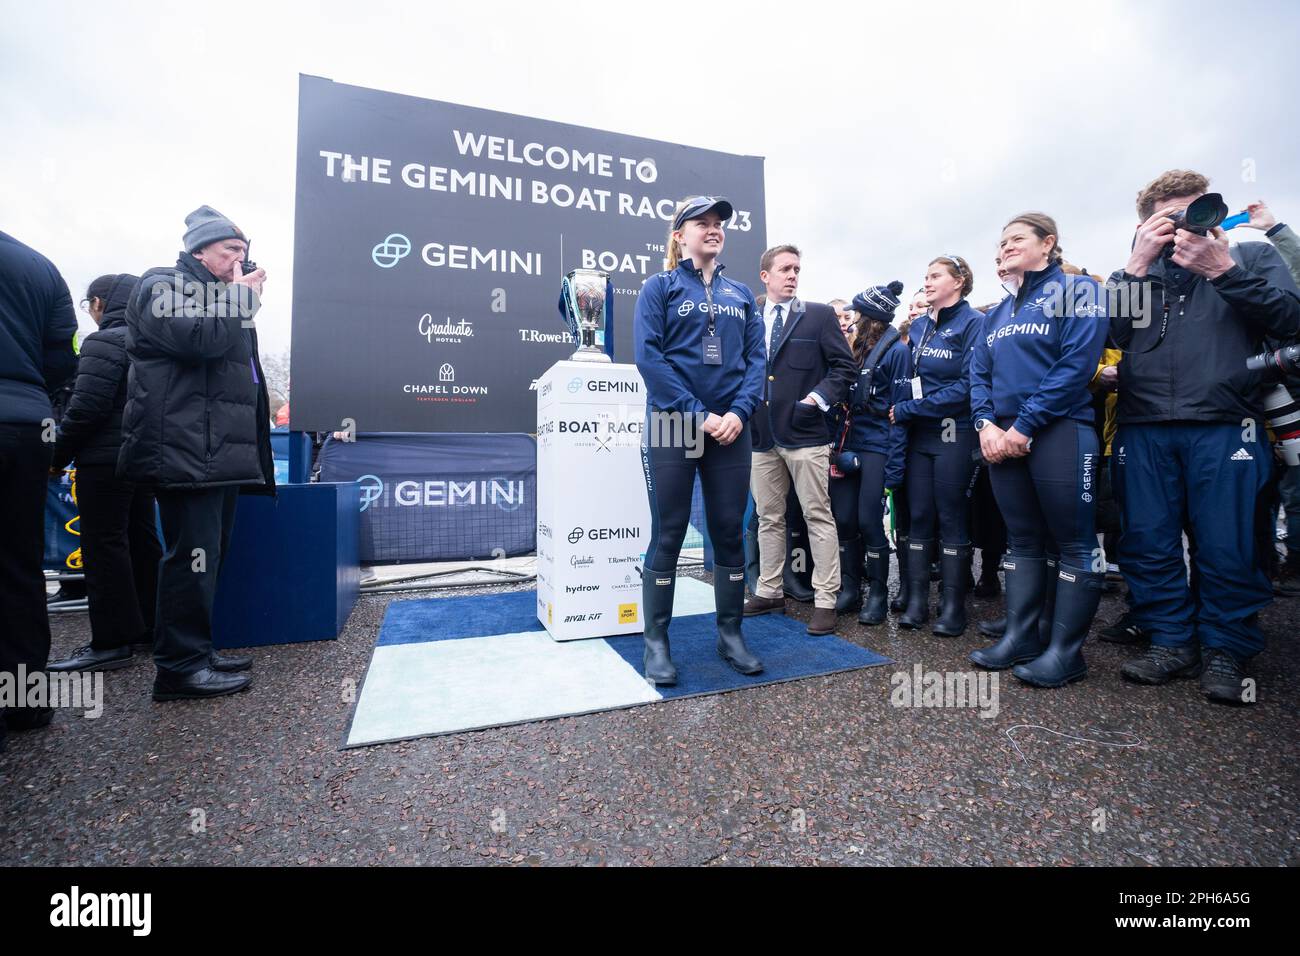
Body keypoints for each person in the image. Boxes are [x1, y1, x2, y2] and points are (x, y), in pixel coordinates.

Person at [1108, 171, 1300, 704]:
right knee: (1147, 540)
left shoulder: (1250, 257)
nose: (1189, 225)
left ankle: (1226, 646)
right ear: (1148, 223)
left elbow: (1290, 321)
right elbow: (1109, 336)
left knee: (1228, 542)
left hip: (1226, 422)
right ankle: (1171, 639)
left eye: (1199, 211)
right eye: (1173, 216)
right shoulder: (1134, 273)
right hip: (1143, 424)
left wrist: (1223, 272)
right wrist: (1137, 266)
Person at [118, 206, 274, 701]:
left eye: (243, 252)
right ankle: (178, 669)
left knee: (208, 557)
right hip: (185, 451)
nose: (238, 259)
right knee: (191, 558)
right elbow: (199, 340)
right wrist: (241, 297)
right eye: (229, 250)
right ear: (198, 250)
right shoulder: (160, 285)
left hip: (215, 454)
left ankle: (195, 653)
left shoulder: (219, 298)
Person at [969, 212, 1108, 686]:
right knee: (1023, 541)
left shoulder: (1081, 291)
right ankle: (1022, 637)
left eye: (1017, 239)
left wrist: (1024, 426)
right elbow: (979, 376)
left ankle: (1066, 654)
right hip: (1001, 439)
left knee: (1073, 544)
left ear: (1048, 243)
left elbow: (1076, 364)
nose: (1005, 247)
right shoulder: (999, 313)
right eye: (1002, 240)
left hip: (1058, 431)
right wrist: (986, 425)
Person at [633, 196, 766, 684]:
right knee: (668, 531)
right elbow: (650, 359)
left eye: (719, 224)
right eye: (702, 223)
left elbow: (757, 362)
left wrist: (738, 412)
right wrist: (698, 415)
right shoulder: (659, 287)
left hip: (731, 427)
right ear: (679, 235)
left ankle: (730, 635)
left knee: (729, 530)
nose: (713, 230)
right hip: (674, 422)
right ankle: (656, 643)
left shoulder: (741, 293)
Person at [47, 274, 163, 673]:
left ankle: (111, 641)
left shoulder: (102, 341)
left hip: (103, 459)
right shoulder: (154, 343)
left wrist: (56, 455)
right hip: (143, 457)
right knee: (143, 541)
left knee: (104, 546)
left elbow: (86, 408)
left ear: (100, 303)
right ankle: (149, 627)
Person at [743, 244, 857, 636]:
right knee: (768, 518)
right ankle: (769, 590)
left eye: (797, 269)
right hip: (761, 435)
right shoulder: (748, 317)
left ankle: (826, 600)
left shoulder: (820, 315)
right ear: (765, 276)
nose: (793, 275)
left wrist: (817, 399)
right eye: (785, 269)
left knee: (816, 515)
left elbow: (845, 368)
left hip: (806, 434)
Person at [0, 231, 78, 751]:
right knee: (17, 562)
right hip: (25, 421)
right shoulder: (38, 263)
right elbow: (64, 360)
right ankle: (26, 702)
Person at [890, 256, 983, 636]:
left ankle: (952, 606)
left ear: (958, 281)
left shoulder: (974, 322)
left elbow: (966, 386)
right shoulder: (922, 324)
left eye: (934, 276)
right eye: (924, 276)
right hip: (919, 435)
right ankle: (916, 602)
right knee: (919, 515)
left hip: (952, 432)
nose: (926, 283)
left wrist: (911, 408)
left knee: (951, 517)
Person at [830, 282, 912, 623]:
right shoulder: (853, 347)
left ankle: (878, 592)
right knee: (844, 518)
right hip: (849, 441)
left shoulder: (897, 352)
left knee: (868, 520)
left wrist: (895, 463)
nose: (852, 318)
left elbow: (901, 410)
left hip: (879, 443)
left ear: (871, 317)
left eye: (857, 313)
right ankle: (851, 588)